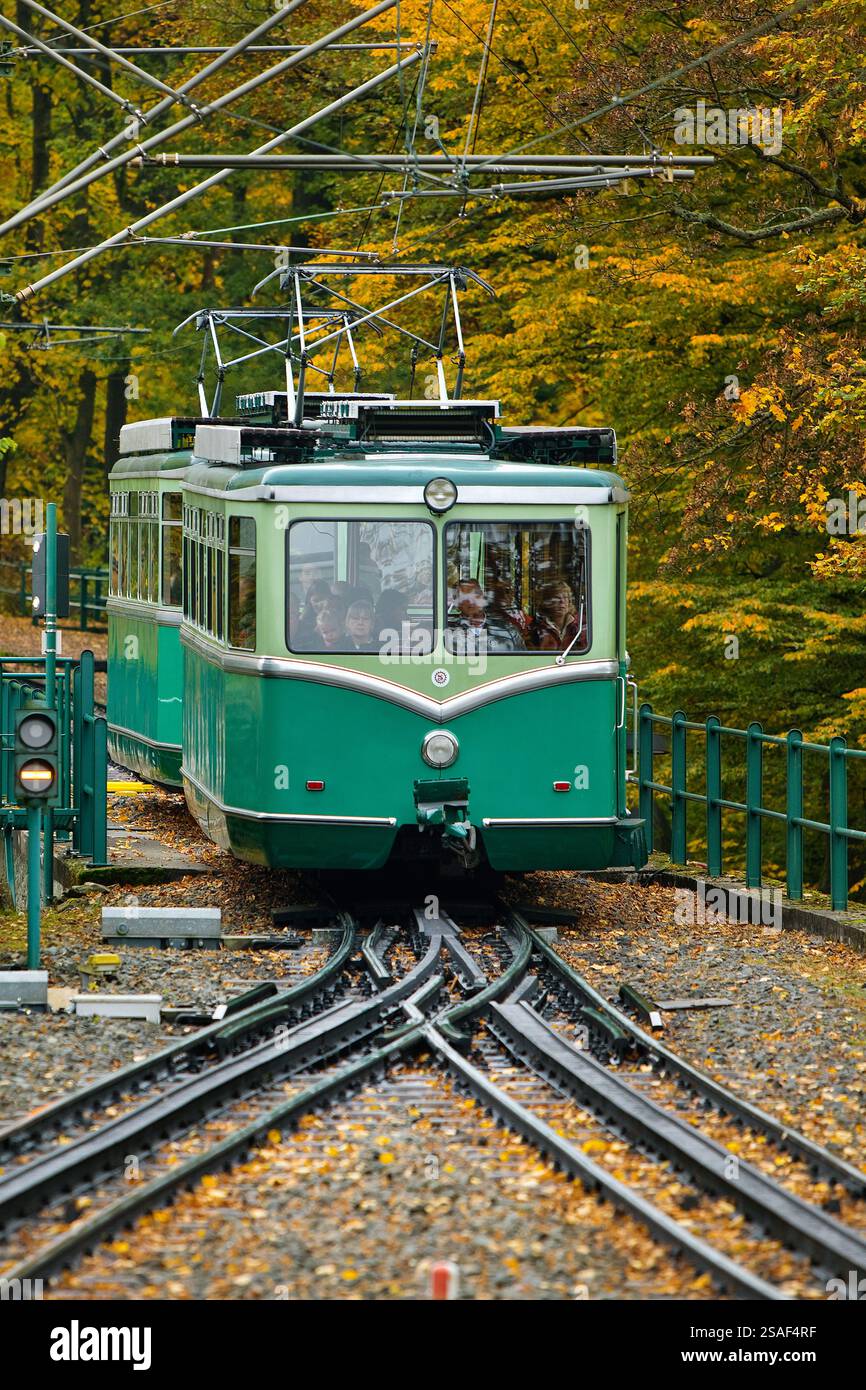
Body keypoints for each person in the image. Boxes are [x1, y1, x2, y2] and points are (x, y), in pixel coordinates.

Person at [448, 578, 526, 653]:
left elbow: (523, 663)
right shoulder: (449, 632)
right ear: (457, 604)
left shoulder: (507, 630)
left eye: (475, 593)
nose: (471, 600)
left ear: (482, 596)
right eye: (464, 596)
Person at [529, 581, 584, 652]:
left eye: (565, 597)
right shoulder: (536, 629)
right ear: (547, 602)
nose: (562, 601)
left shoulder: (579, 626)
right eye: (557, 598)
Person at [294, 579, 333, 646]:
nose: (320, 604)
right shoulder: (302, 621)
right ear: (309, 602)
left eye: (323, 599)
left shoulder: (336, 616)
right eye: (316, 601)